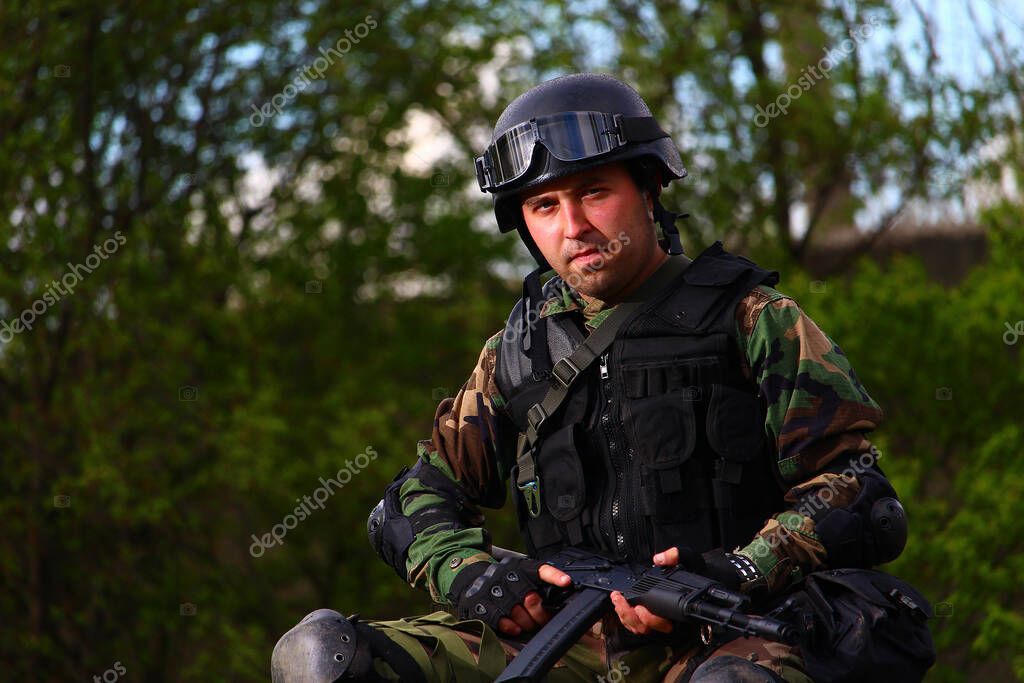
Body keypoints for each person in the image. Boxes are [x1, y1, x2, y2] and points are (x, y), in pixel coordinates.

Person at [271, 73, 909, 683]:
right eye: (545, 205)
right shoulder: (516, 354)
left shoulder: (754, 321)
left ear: (649, 189)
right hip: (567, 639)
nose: (572, 226)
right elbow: (415, 501)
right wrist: (470, 576)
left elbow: (856, 492)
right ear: (525, 225)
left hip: (725, 634)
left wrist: (736, 570)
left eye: (594, 193)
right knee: (321, 655)